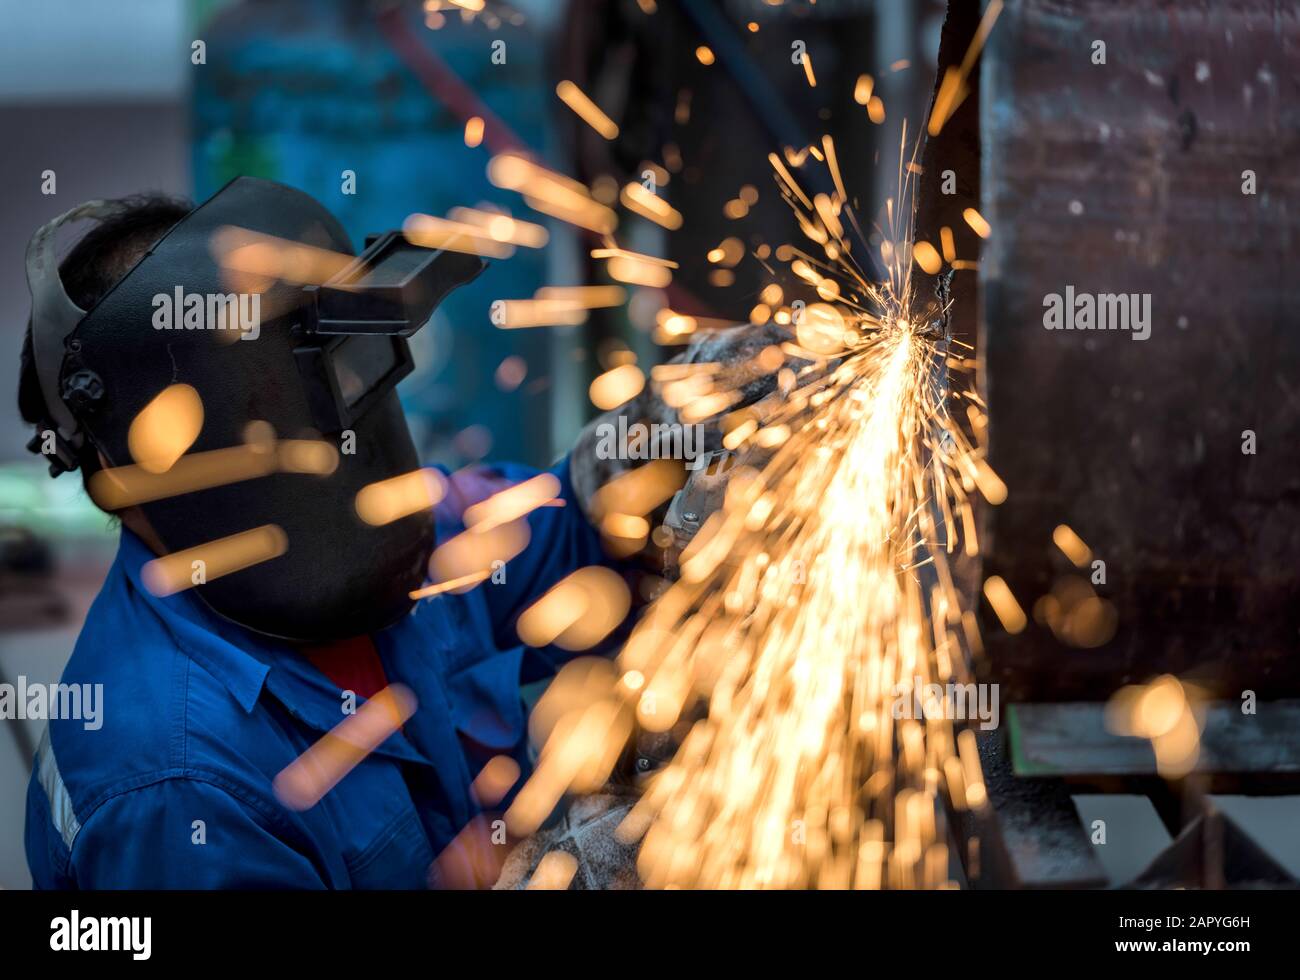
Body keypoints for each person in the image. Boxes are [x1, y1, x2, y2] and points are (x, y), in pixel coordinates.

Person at [18, 177, 751, 888]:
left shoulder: (361, 540)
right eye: (306, 389)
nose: (347, 422)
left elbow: (576, 541)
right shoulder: (175, 786)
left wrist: (673, 432)